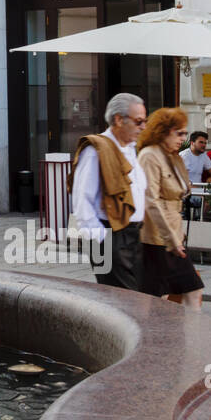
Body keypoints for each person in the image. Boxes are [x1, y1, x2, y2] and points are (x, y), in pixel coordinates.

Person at [69, 93, 148, 291]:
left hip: (133, 235)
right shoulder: (96, 150)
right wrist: (102, 240)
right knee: (125, 303)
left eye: (144, 121)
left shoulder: (130, 149)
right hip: (110, 235)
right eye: (139, 121)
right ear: (118, 120)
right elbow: (81, 200)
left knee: (137, 300)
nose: (143, 127)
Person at [137, 107, 204, 309]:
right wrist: (171, 239)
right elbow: (151, 201)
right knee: (155, 296)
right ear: (163, 131)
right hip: (157, 238)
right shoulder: (149, 156)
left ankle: (182, 334)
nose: (183, 138)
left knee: (187, 290)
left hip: (172, 236)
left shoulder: (173, 157)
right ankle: (165, 335)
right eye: (179, 133)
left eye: (184, 133)